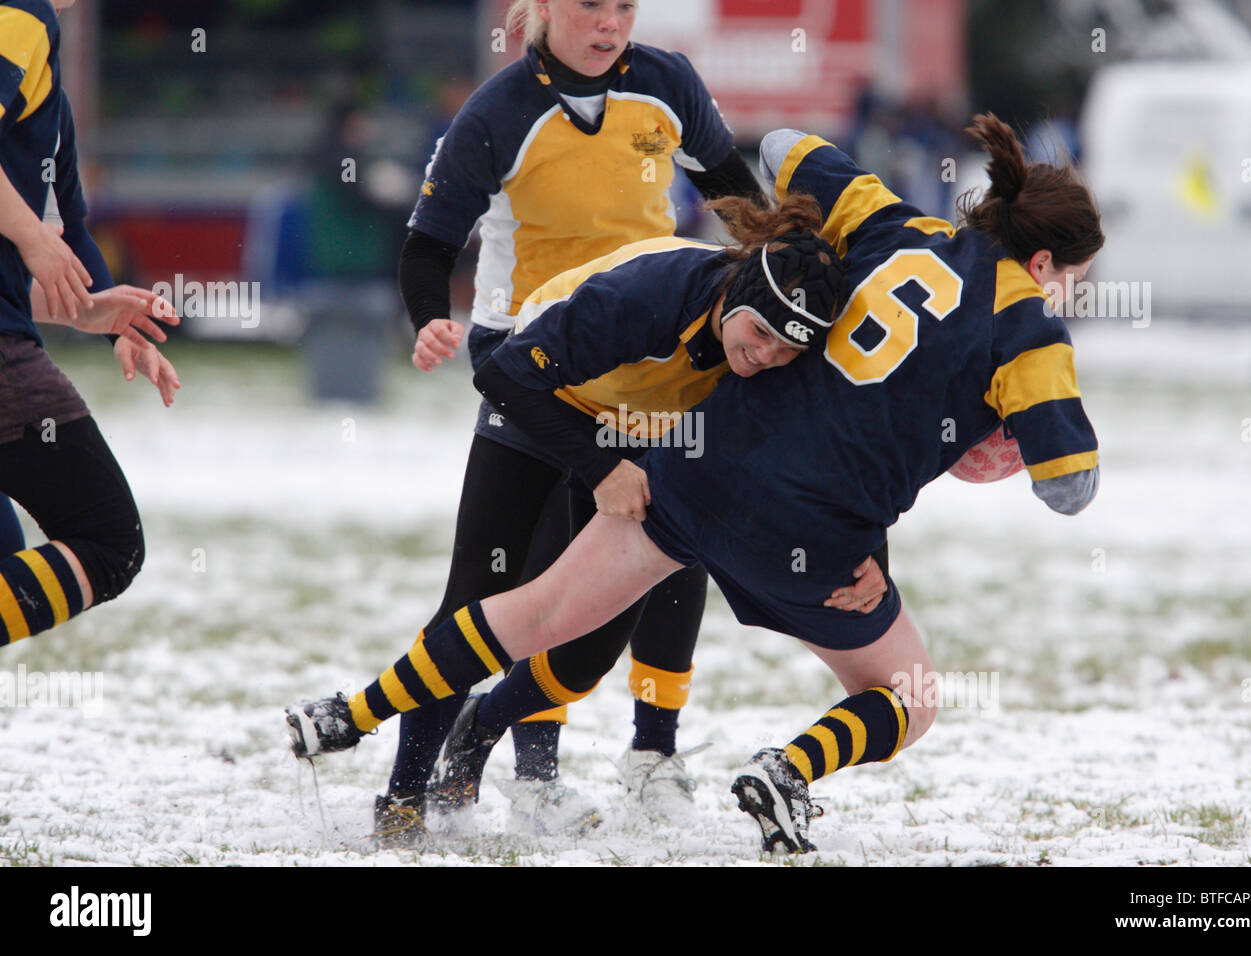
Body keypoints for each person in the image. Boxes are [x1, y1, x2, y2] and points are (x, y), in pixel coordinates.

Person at [289, 112, 1103, 854]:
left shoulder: (889, 221)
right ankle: (786, 770)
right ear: (1042, 262)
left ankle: (348, 713)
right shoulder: (1029, 326)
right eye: (1076, 277)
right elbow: (1069, 485)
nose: (1072, 294)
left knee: (532, 613)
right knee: (910, 695)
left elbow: (785, 146)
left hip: (693, 471)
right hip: (813, 536)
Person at [384, 0, 767, 842]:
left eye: (626, 6)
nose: (610, 24)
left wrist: (775, 278)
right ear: (543, 8)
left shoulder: (666, 85)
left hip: (650, 366)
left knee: (669, 550)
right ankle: (410, 793)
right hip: (532, 369)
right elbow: (427, 243)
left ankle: (647, 756)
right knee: (490, 588)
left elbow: (737, 198)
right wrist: (428, 320)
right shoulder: (497, 112)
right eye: (592, 5)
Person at [1, 0, 180, 651]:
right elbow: (47, 242)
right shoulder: (19, 15)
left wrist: (105, 317)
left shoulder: (44, 75)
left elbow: (68, 234)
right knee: (108, 540)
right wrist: (33, 241)